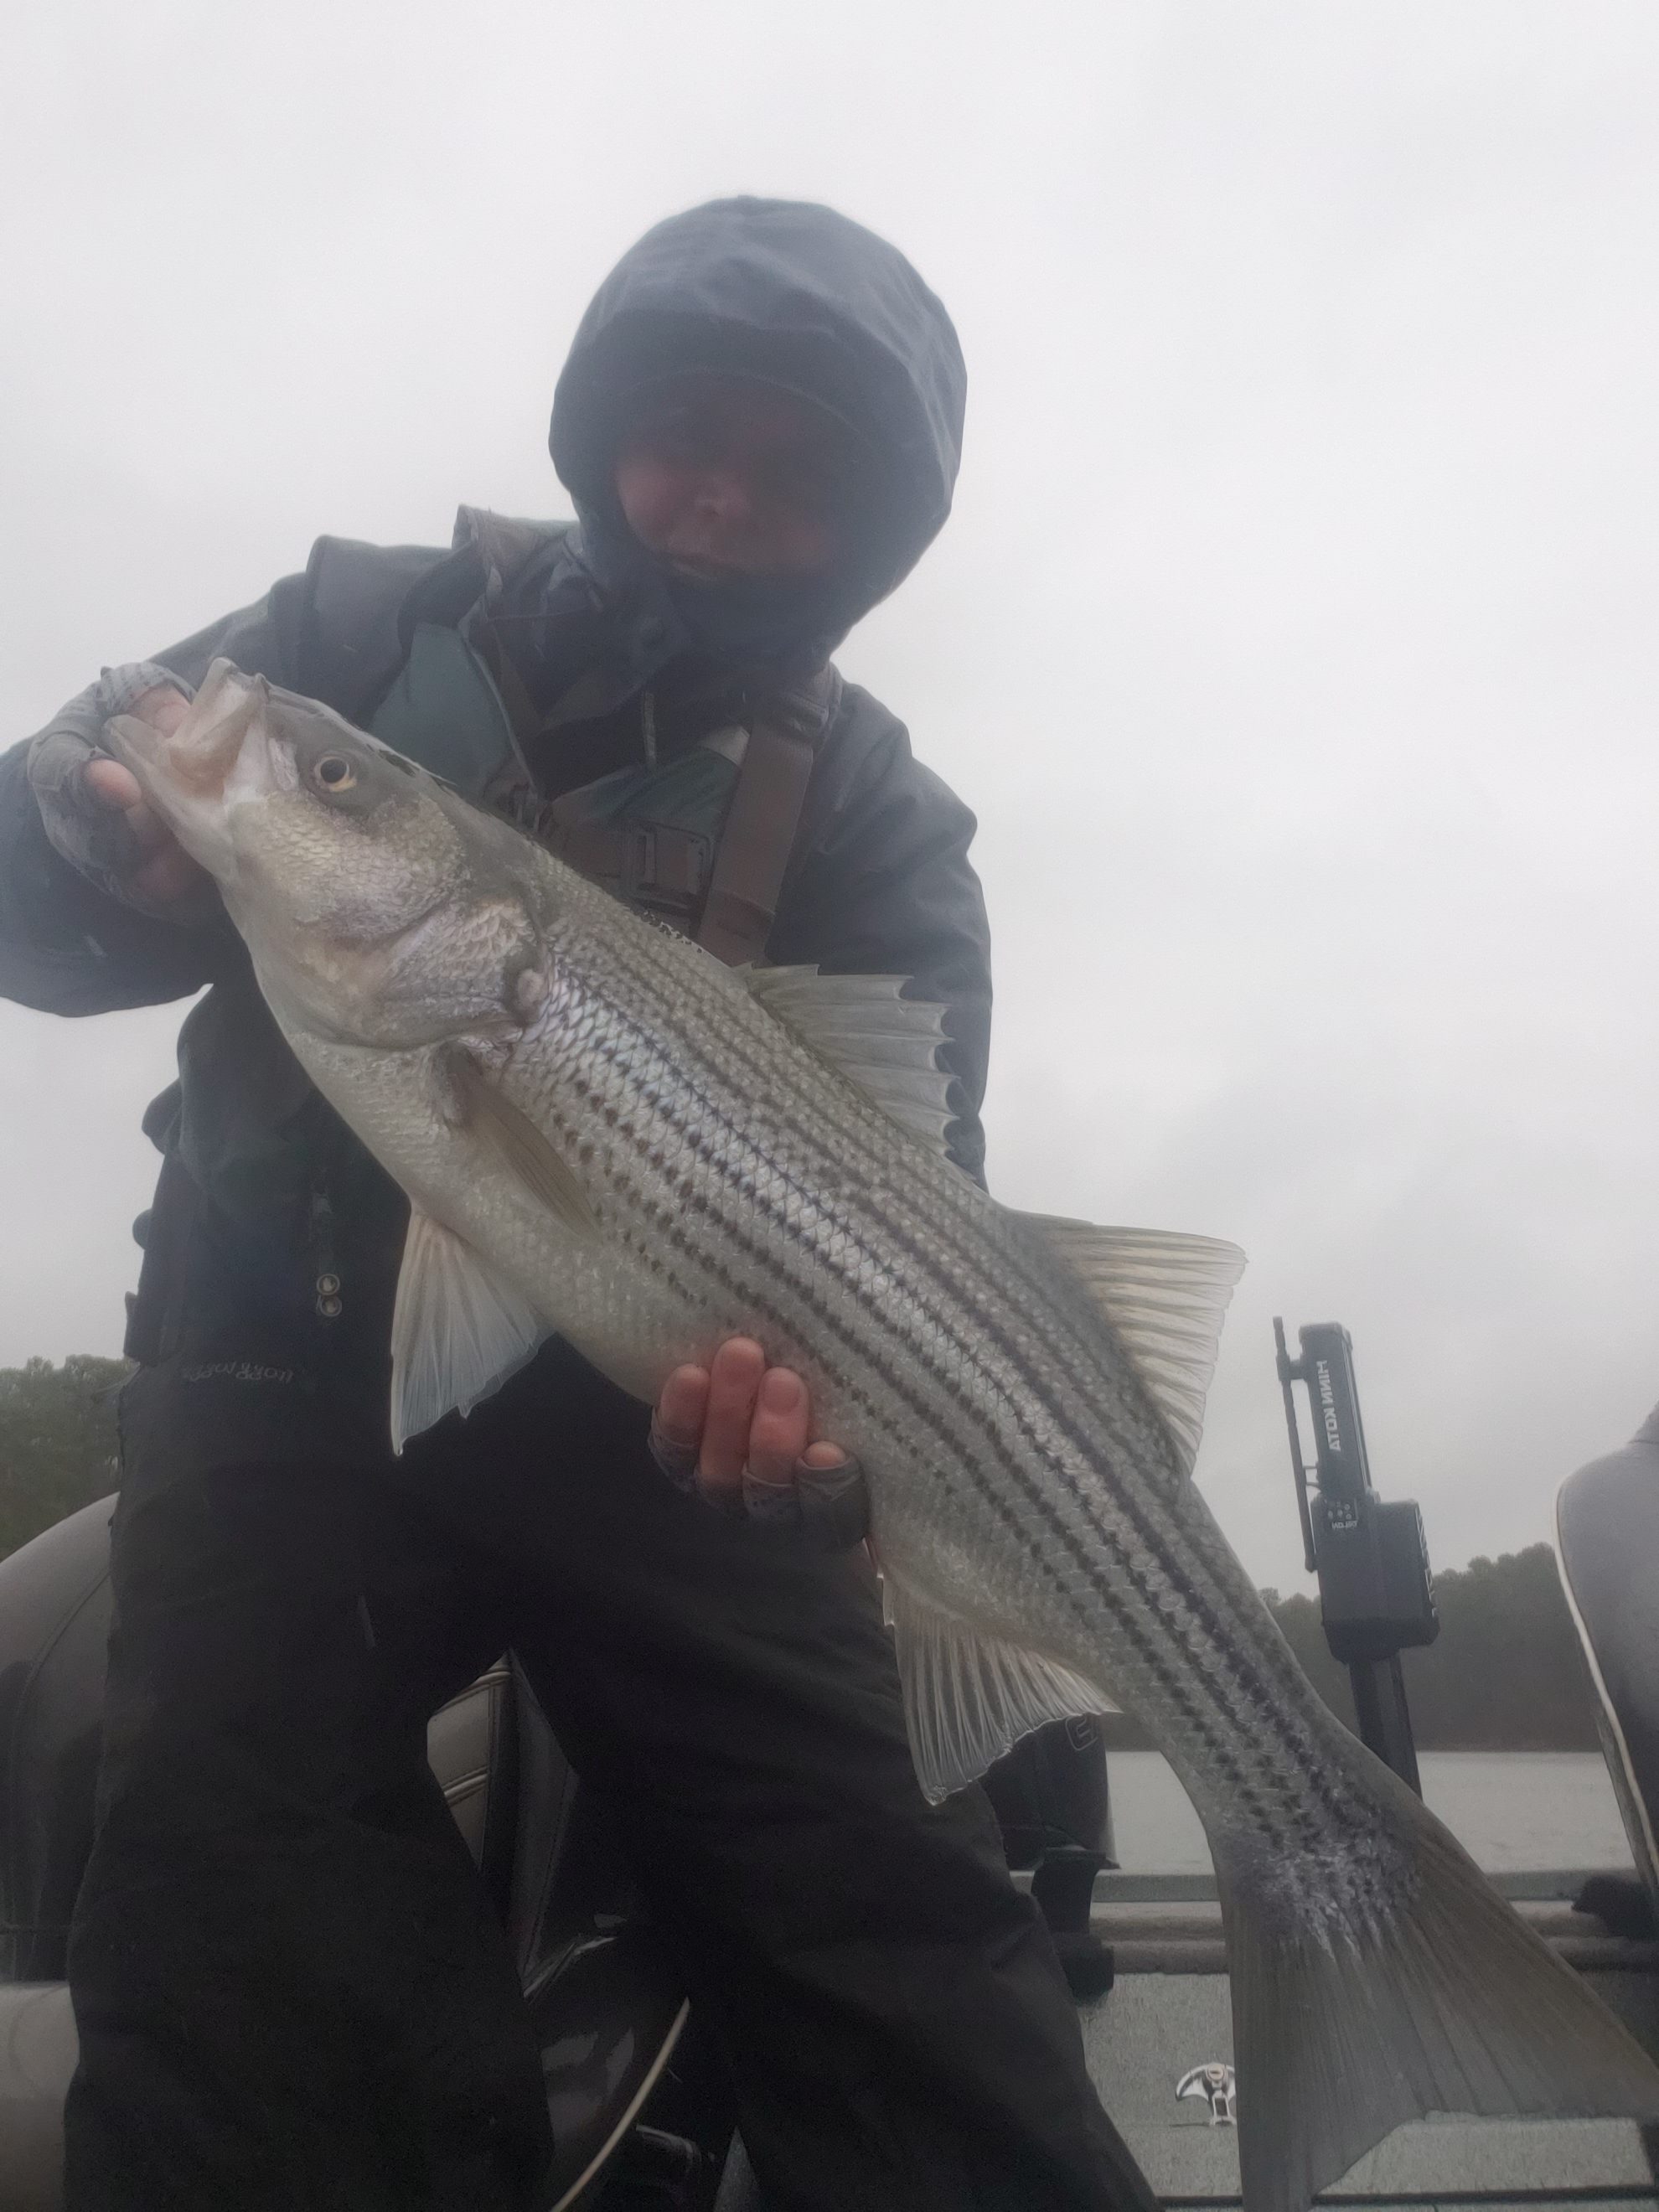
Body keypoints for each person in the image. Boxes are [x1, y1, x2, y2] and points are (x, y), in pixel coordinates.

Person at [0, 198, 1152, 2211]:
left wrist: (807, 1461)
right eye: (684, 433)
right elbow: (65, 823)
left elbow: (920, 1233)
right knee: (230, 1895)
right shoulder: (350, 640)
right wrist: (82, 841)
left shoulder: (881, 819)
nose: (718, 497)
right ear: (602, 429)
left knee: (892, 1909)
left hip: (670, 1444)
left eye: (794, 473)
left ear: (871, 533)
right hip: (279, 1389)